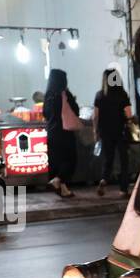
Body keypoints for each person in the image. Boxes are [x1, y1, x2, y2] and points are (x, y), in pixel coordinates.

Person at [93, 68, 133, 197]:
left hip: (105, 131)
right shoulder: (122, 94)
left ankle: (104, 179)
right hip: (120, 131)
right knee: (124, 161)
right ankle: (123, 189)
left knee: (108, 159)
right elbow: (129, 114)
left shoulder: (99, 95)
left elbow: (95, 116)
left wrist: (96, 131)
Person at [44, 68, 81, 198]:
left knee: (56, 161)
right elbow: (76, 111)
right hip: (65, 132)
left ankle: (63, 189)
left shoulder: (48, 95)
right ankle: (58, 180)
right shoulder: (65, 94)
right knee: (71, 159)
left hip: (52, 133)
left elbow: (46, 114)